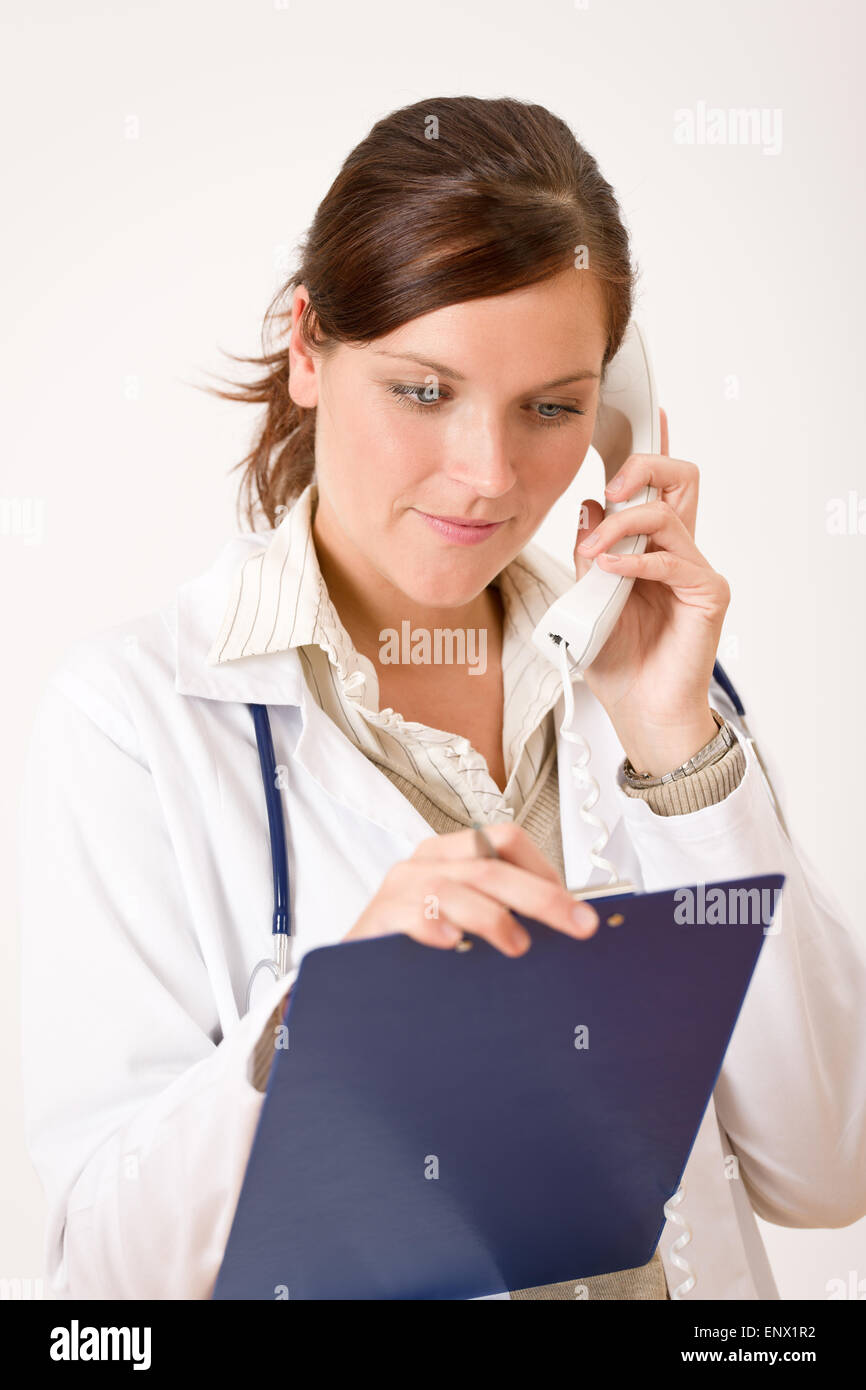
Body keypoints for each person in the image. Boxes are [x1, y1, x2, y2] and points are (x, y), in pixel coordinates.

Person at [19, 95, 866, 1301]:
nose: (487, 475)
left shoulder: (656, 691)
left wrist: (678, 757)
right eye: (424, 392)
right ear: (309, 347)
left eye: (553, 407)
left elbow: (826, 1167)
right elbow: (105, 1280)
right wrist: (338, 1019)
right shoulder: (133, 722)